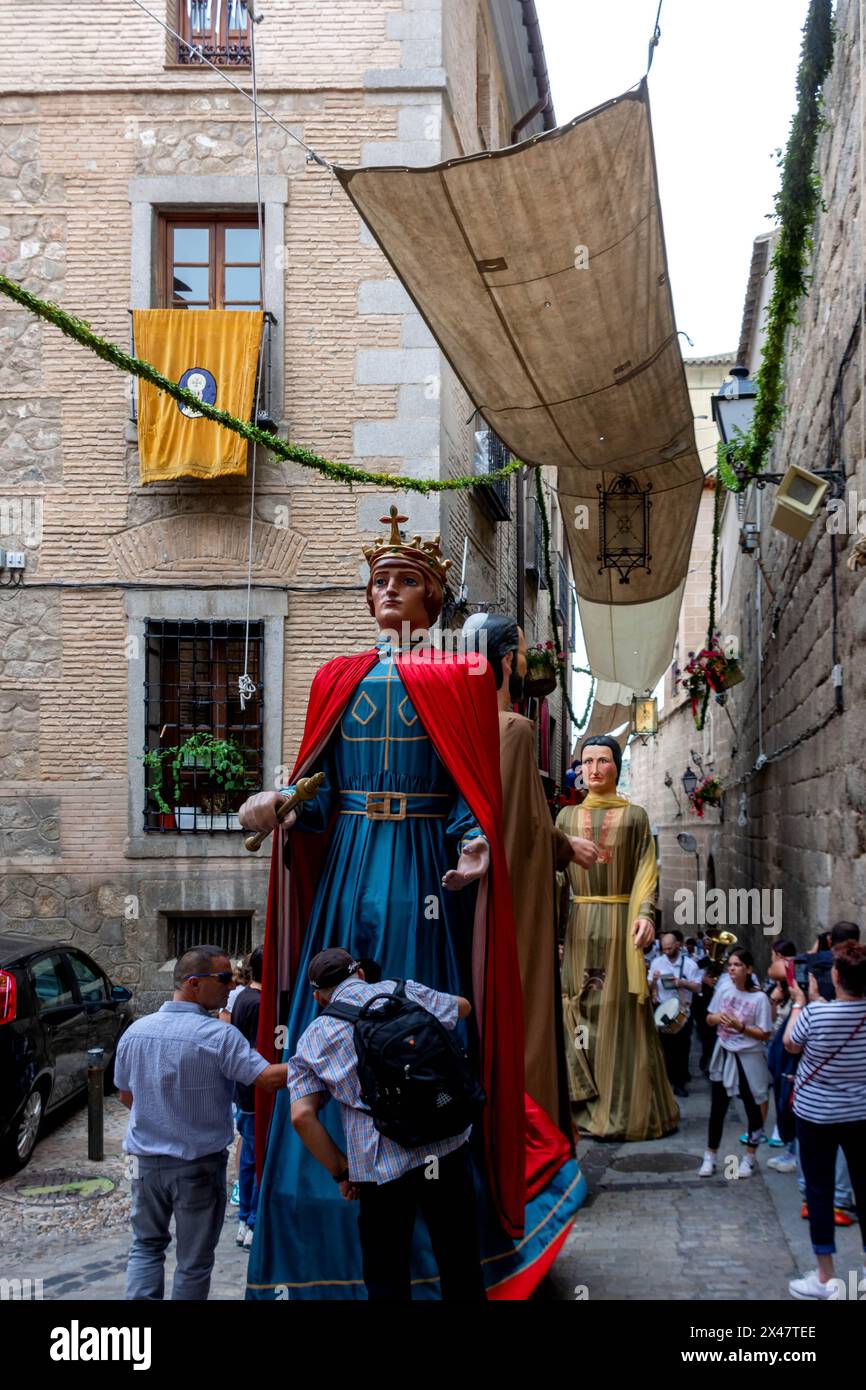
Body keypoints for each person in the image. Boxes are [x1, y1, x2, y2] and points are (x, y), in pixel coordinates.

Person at [238, 506, 582, 1301]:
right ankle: (329, 1188)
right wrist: (278, 806)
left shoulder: (459, 678)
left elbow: (471, 786)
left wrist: (472, 843)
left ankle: (431, 1161)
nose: (389, 591)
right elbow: (317, 795)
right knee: (337, 1012)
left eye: (407, 581)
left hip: (426, 862)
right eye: (379, 582)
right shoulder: (337, 678)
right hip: (350, 863)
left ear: (434, 599)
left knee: (418, 1019)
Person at [462, 611, 598, 1137]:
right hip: (513, 897)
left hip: (466, 893)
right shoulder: (514, 730)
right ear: (504, 661)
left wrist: (560, 843)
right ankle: (534, 1140)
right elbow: (521, 829)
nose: (525, 662)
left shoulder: (459, 726)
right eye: (521, 652)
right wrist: (563, 850)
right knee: (527, 1009)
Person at [288, 948, 484, 1301]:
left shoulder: (315, 1037)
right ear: (361, 974)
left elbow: (302, 1116)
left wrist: (340, 1171)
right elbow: (463, 1007)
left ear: (318, 997)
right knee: (461, 1263)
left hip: (380, 1168)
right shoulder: (405, 991)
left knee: (386, 1275)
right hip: (446, 1147)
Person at [113, 945, 288, 1301]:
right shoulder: (218, 1037)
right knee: (193, 1262)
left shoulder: (136, 1032)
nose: (231, 984)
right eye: (224, 978)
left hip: (145, 1165)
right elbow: (267, 1078)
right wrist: (319, 1058)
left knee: (145, 1247)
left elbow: (126, 1096)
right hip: (197, 1166)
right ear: (194, 983)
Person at [556, 735, 678, 1141]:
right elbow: (556, 879)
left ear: (617, 766)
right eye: (587, 761)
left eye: (603, 761)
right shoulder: (565, 820)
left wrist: (644, 915)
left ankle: (623, 1110)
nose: (593, 769)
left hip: (621, 925)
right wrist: (552, 928)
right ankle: (582, 1105)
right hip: (579, 926)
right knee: (581, 1009)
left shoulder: (636, 816)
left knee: (619, 1012)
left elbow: (647, 872)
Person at [784, 940, 866, 1299]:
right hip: (860, 1114)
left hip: (816, 1115)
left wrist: (801, 1003)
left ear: (836, 975)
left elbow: (790, 1044)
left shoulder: (817, 1014)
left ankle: (825, 1277)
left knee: (819, 1191)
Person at [698, 949, 772, 1179]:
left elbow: (765, 1033)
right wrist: (718, 1018)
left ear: (748, 969)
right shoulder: (724, 990)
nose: (731, 968)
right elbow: (709, 1018)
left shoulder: (760, 998)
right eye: (730, 964)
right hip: (726, 1052)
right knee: (718, 1107)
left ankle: (749, 1156)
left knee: (753, 1108)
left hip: (749, 1056)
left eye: (737, 965)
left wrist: (741, 1027)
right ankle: (710, 1156)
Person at [228, 947, 264, 1250]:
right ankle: (251, 1220)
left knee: (249, 1159)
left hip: (243, 1093)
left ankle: (245, 1219)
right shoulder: (259, 1003)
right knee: (254, 1158)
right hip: (254, 1094)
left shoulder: (241, 997)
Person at [649, 930, 702, 1098]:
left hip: (683, 1011)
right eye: (664, 948)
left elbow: (698, 987)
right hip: (664, 1009)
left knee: (682, 1047)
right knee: (666, 1047)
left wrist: (682, 983)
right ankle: (668, 1081)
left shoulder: (690, 965)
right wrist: (654, 980)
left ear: (678, 945)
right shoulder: (657, 962)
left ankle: (680, 1083)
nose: (666, 951)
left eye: (670, 948)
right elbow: (648, 986)